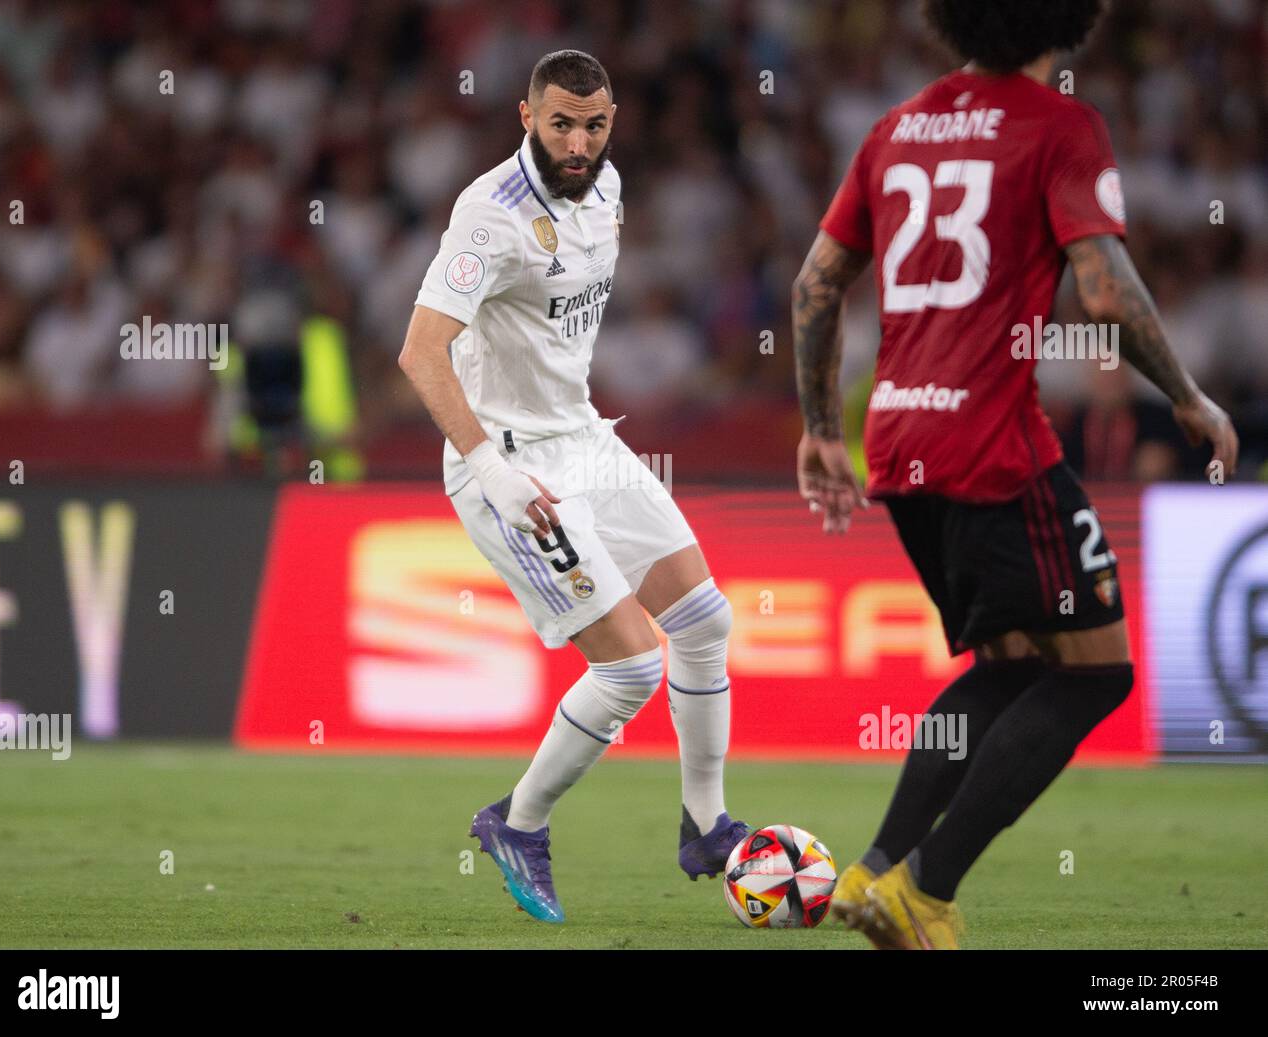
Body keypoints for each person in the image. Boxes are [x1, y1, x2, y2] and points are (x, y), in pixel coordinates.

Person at [791, 0, 1238, 949]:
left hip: (899, 443)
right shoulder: (1063, 125)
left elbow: (815, 284)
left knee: (1011, 664)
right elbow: (1105, 286)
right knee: (1096, 675)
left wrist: (823, 429)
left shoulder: (894, 129)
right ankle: (928, 885)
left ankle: (876, 872)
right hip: (995, 445)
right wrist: (1190, 397)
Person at [399, 50, 747, 924]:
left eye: (594, 124)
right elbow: (420, 350)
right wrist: (490, 467)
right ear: (525, 115)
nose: (578, 141)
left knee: (705, 618)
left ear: (613, 120)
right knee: (629, 664)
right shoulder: (490, 215)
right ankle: (519, 822)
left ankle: (706, 824)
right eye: (560, 122)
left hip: (582, 437)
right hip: (508, 460)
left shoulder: (608, 188)